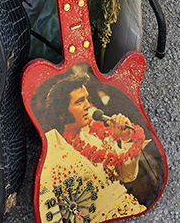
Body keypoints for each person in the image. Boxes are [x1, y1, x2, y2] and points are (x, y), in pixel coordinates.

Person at [37, 67, 147, 223]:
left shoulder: (95, 133)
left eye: (87, 99)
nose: (88, 105)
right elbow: (48, 213)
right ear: (62, 112)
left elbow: (127, 176)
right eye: (80, 101)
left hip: (133, 211)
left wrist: (126, 140)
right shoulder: (50, 150)